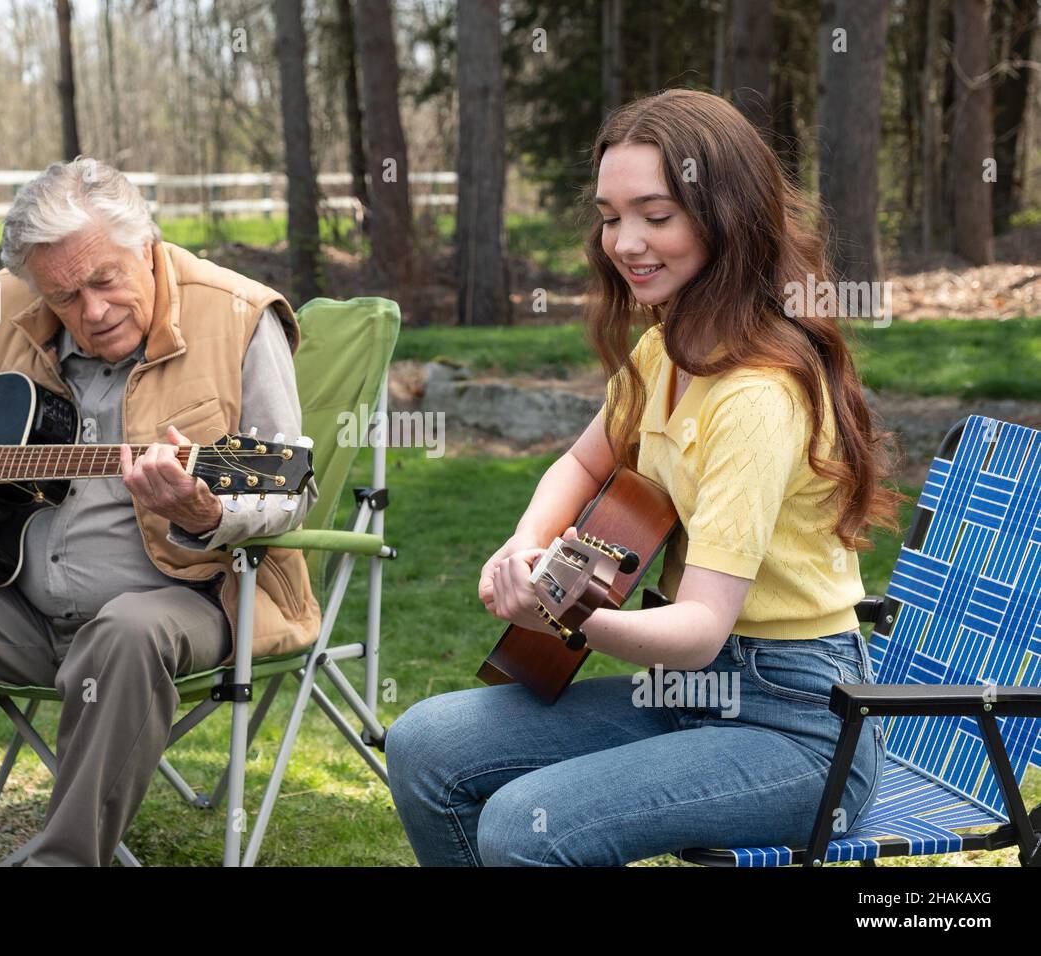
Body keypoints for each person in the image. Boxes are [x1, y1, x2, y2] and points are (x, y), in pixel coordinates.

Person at [384, 89, 902, 866]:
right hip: (691, 696)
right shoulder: (667, 350)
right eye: (610, 215)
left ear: (728, 216)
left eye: (656, 216)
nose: (625, 241)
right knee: (425, 743)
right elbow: (586, 459)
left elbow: (696, 632)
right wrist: (524, 546)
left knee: (530, 824)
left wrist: (565, 612)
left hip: (798, 728)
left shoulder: (757, 396)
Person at [0, 158, 320, 866]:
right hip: (19, 605)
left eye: (106, 281)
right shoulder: (9, 303)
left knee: (126, 630)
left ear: (146, 246)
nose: (91, 312)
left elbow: (286, 486)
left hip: (184, 597)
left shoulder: (240, 316)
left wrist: (204, 507)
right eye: (65, 296)